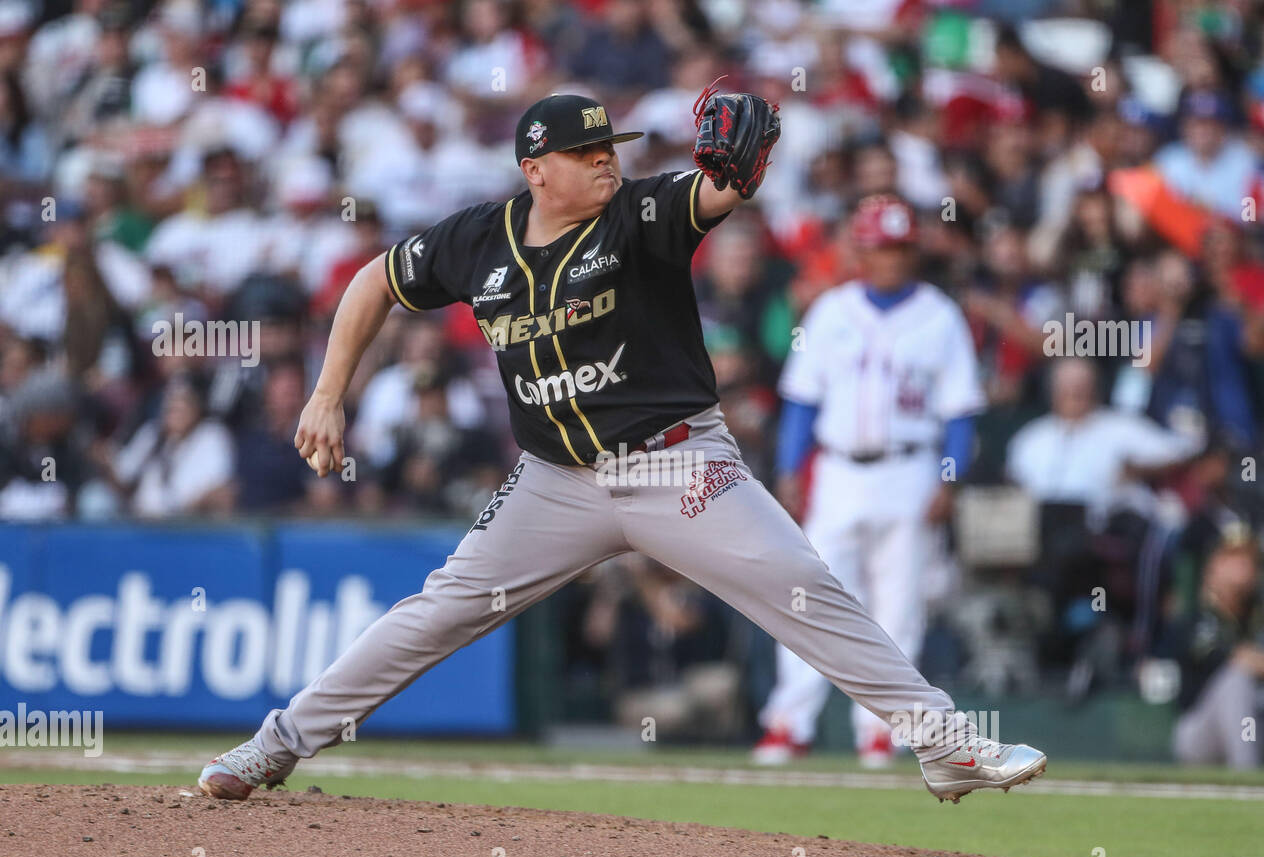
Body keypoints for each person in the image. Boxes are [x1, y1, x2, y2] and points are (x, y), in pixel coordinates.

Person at [197, 89, 1045, 804]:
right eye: (586, 149)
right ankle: (275, 745)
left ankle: (944, 742)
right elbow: (372, 281)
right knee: (439, 610)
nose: (607, 159)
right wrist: (327, 390)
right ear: (536, 169)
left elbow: (709, 196)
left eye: (611, 145)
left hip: (676, 464)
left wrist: (733, 177)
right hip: (553, 483)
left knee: (801, 586)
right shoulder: (476, 240)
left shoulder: (639, 215)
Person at [753, 195, 984, 767]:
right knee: (807, 599)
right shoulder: (832, 311)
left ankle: (883, 733)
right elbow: (802, 402)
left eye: (901, 249)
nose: (891, 260)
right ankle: (790, 723)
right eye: (881, 249)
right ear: (861, 250)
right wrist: (789, 469)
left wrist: (948, 479)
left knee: (898, 608)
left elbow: (961, 413)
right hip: (837, 471)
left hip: (910, 467)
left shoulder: (940, 314)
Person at [1166, 536, 1264, 767]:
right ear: (1213, 568)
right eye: (1232, 559)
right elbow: (1238, 659)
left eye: (1247, 560)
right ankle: (1247, 778)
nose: (1242, 567)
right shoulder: (1195, 620)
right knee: (1237, 680)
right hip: (1204, 734)